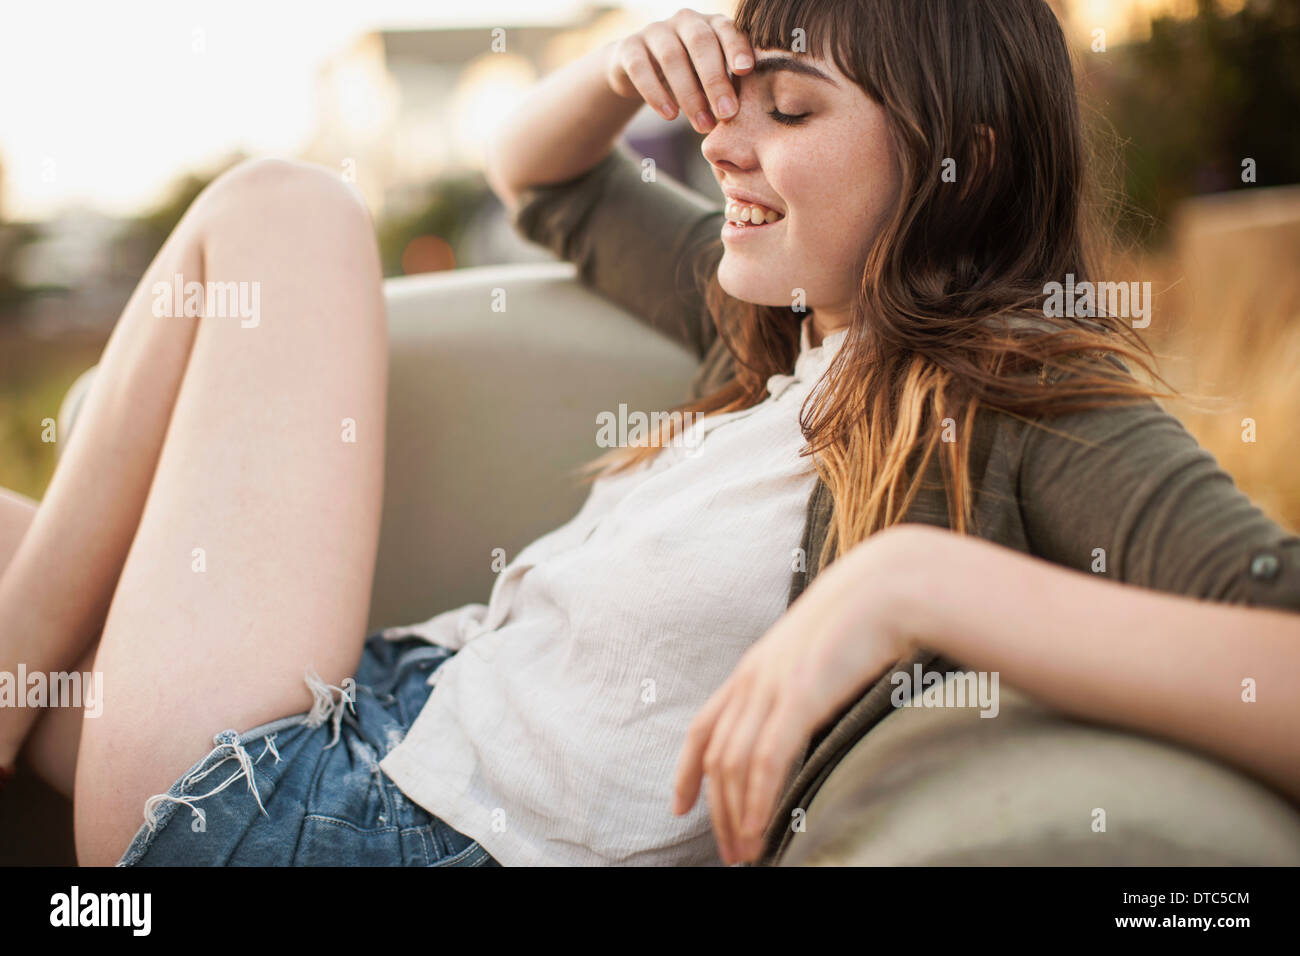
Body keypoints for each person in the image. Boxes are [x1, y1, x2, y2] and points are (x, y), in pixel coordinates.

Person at [1, 0, 1297, 867]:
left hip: (343, 825)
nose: (721, 144)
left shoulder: (1020, 406)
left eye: (787, 113)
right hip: (386, 716)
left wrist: (920, 583)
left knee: (289, 213)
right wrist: (629, 59)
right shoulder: (790, 319)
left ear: (965, 158)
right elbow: (543, 174)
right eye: (730, 102)